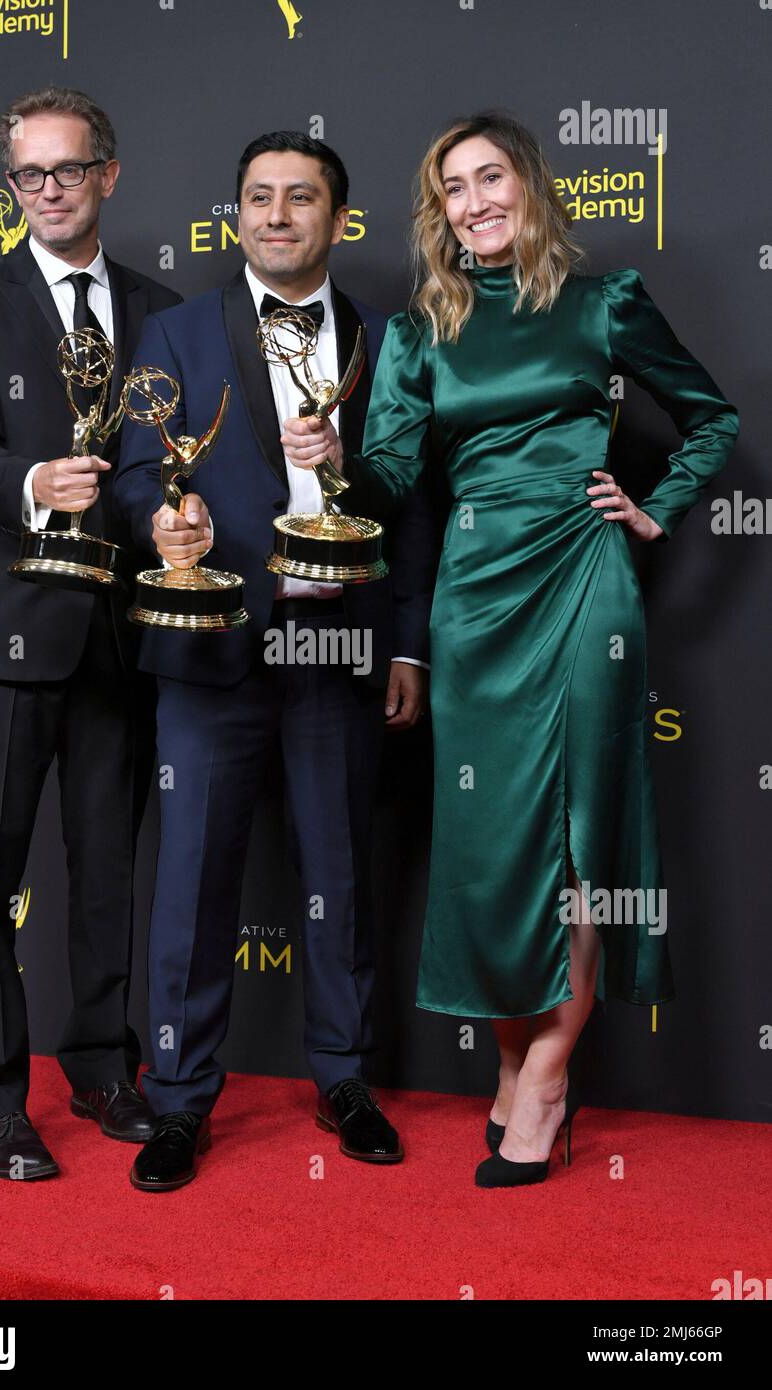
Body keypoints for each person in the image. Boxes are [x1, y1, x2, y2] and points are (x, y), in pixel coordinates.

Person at [283, 111, 739, 1188]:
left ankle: (545, 1072)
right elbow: (393, 481)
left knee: (580, 836)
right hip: (473, 599)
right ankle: (509, 1053)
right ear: (436, 210)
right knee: (493, 846)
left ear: (528, 187)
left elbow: (709, 418)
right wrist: (332, 466)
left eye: (491, 178)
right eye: (453, 187)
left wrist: (653, 503)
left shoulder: (601, 303)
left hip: (584, 580)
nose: (476, 201)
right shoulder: (415, 332)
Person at [114, 131, 439, 1191]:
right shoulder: (170, 333)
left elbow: (416, 504)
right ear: (236, 214)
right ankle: (175, 1102)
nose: (276, 215)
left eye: (300, 199)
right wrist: (161, 525)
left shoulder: (391, 342)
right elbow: (128, 477)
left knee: (339, 875)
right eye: (257, 197)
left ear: (336, 220)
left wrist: (407, 644)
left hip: (338, 650)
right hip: (209, 643)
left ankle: (344, 1079)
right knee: (191, 878)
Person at [0, 86, 181, 1180]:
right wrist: (34, 480)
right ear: (11, 186)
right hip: (5, 633)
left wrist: (176, 513)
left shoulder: (161, 307)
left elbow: (169, 460)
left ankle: (102, 1066)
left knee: (106, 873)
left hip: (120, 634)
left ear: (107, 175)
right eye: (28, 175)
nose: (47, 191)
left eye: (68, 170)